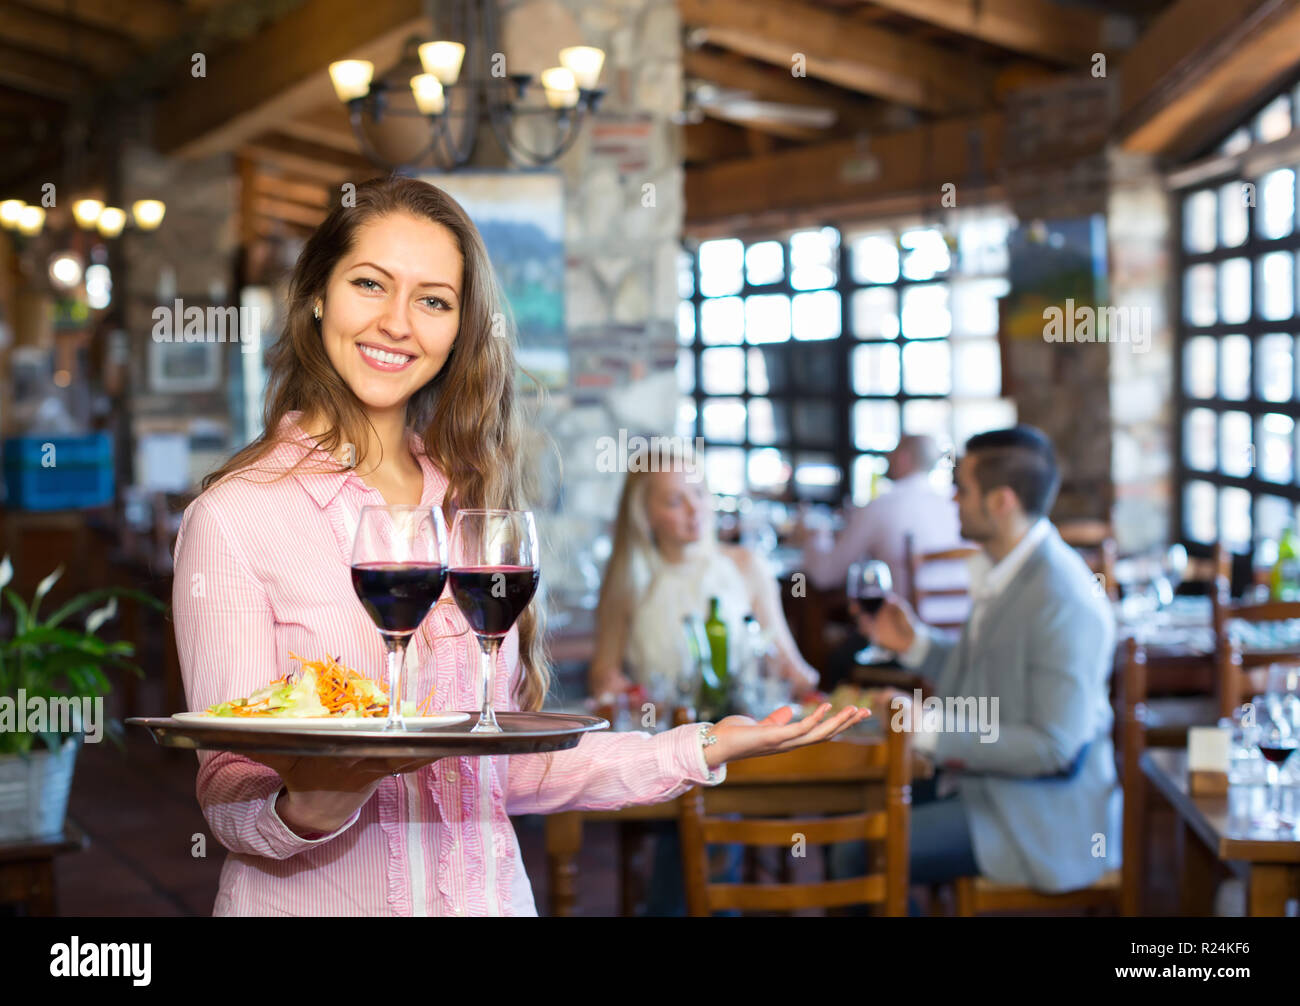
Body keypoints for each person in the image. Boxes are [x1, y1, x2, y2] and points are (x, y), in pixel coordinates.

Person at [172, 176, 870, 917]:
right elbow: (228, 797)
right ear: (317, 295)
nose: (397, 323)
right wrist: (317, 802)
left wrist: (702, 746)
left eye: (433, 300)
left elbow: (501, 771)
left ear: (460, 328)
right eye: (369, 284)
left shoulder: (470, 503)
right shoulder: (234, 517)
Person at [828, 425, 1120, 903]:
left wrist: (926, 729)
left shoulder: (1064, 599)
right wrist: (917, 645)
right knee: (851, 810)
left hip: (1035, 813)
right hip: (985, 783)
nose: (951, 500)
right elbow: (994, 676)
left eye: (962, 489)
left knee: (855, 852)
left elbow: (1054, 748)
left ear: (1001, 501)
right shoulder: (1009, 568)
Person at [589, 454, 821, 702]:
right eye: (675, 501)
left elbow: (791, 667)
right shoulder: (627, 582)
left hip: (743, 723)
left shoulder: (747, 566)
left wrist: (802, 681)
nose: (694, 508)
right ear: (644, 515)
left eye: (699, 493)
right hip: (663, 725)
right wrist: (621, 692)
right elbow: (604, 678)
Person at [795, 434, 966, 689]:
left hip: (904, 640)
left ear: (903, 458)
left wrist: (814, 536)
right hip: (957, 643)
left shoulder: (881, 505)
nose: (886, 459)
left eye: (891, 453)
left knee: (836, 660)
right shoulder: (956, 506)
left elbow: (825, 575)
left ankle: (834, 711)